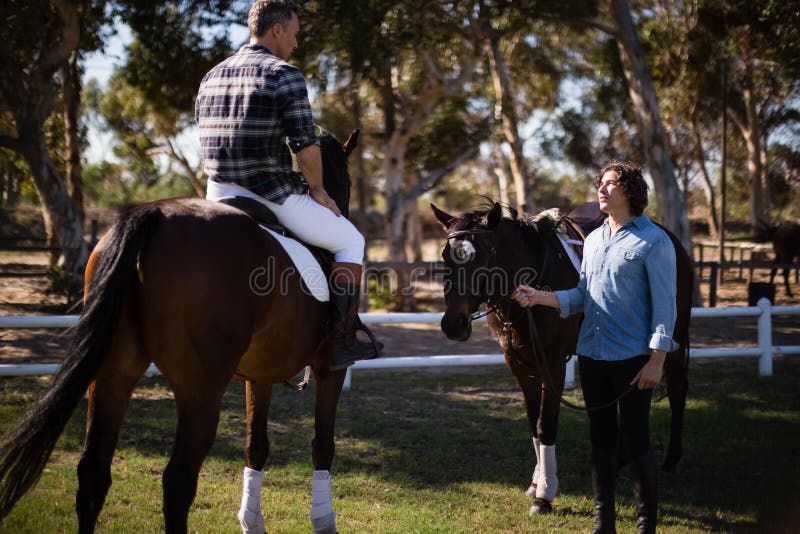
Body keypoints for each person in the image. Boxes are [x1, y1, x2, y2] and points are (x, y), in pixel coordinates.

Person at [195, 0, 379, 371]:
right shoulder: (284, 73)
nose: (296, 43)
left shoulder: (211, 75)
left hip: (216, 194)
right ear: (277, 30)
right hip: (269, 193)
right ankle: (343, 339)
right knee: (350, 240)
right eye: (294, 34)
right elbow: (306, 148)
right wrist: (319, 191)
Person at [512, 161, 677, 534]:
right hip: (593, 355)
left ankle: (645, 526)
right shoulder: (595, 240)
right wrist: (539, 297)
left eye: (611, 184)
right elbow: (582, 297)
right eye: (600, 184)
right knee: (601, 442)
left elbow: (666, 306)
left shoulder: (653, 241)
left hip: (634, 358)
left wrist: (656, 361)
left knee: (635, 442)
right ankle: (604, 524)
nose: (602, 190)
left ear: (631, 191)